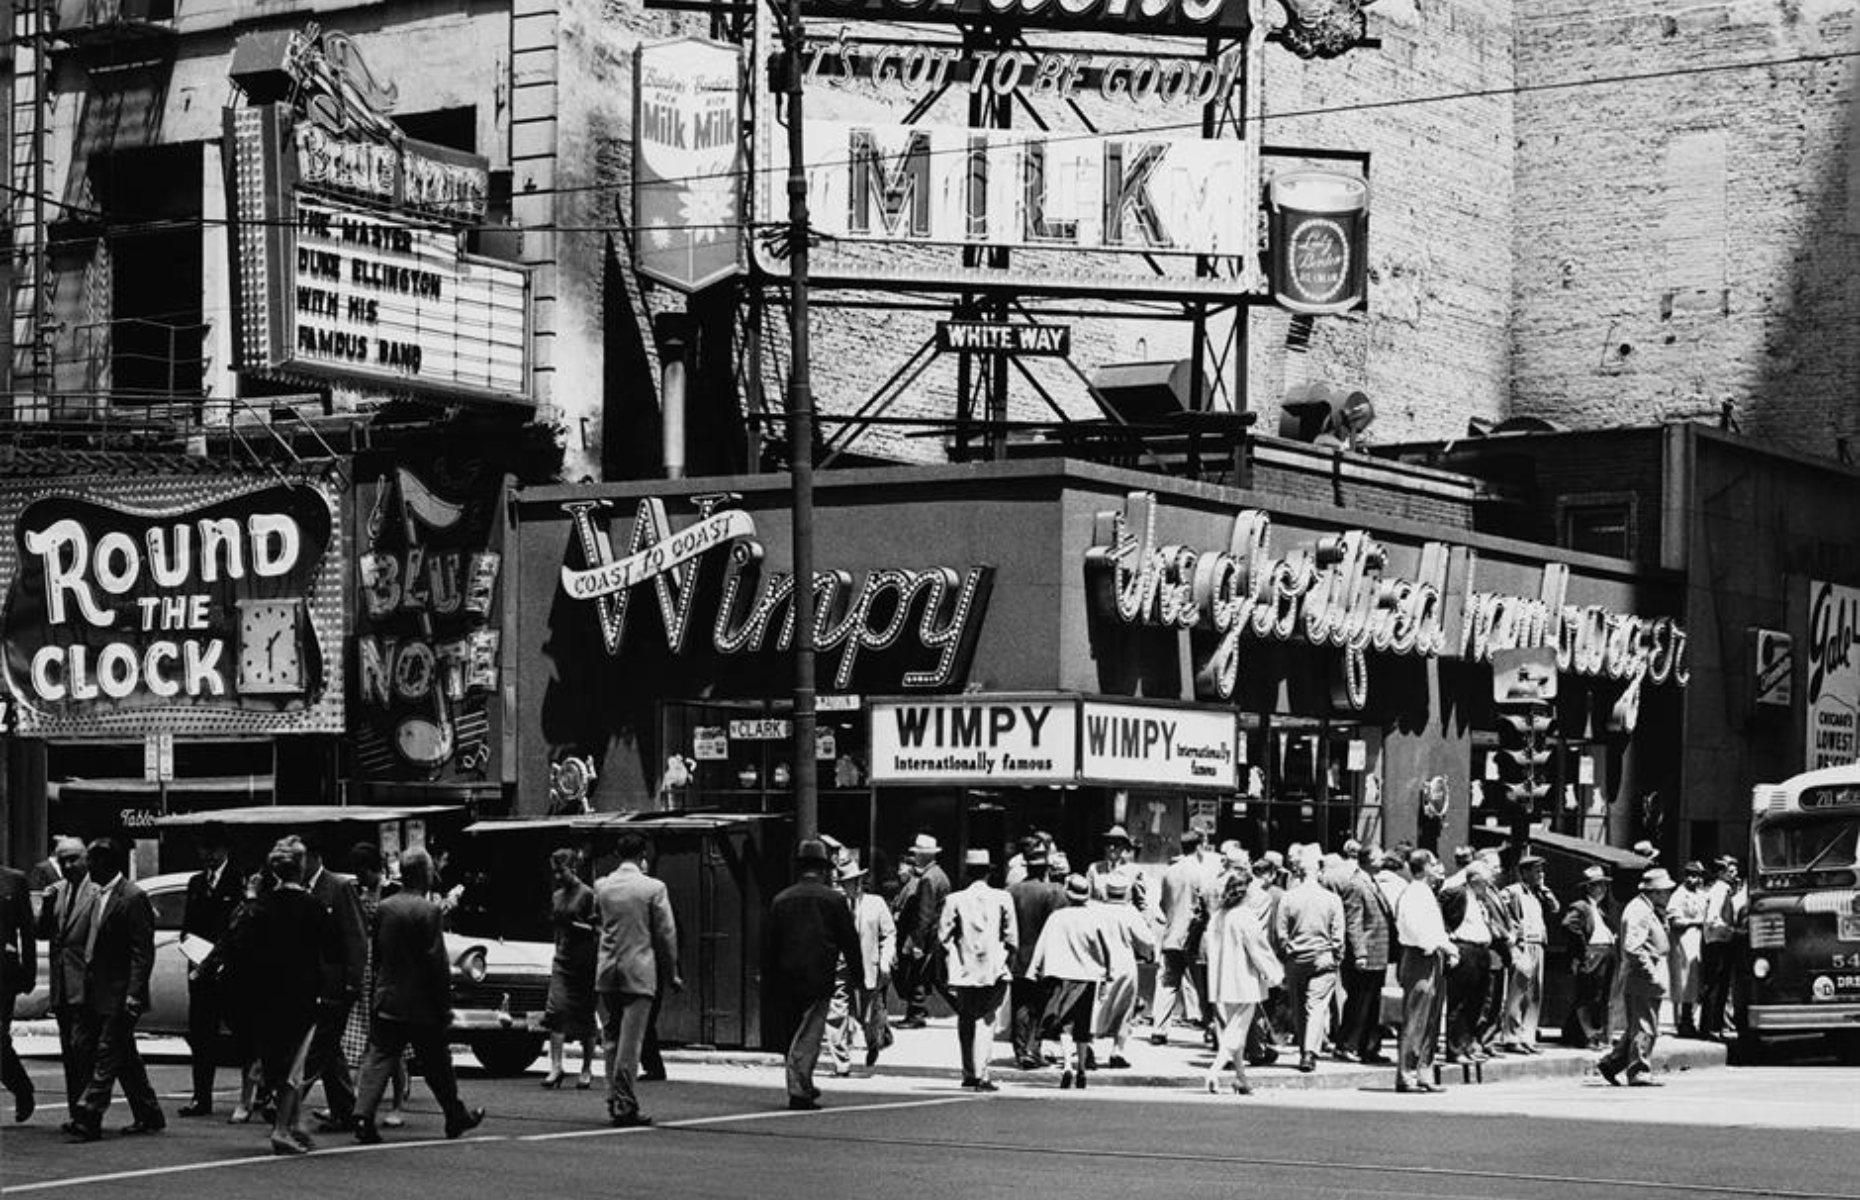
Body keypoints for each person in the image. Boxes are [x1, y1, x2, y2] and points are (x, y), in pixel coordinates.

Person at [353, 848, 486, 1143]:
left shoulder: (385, 907)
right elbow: (435, 962)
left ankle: (363, 1115)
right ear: (424, 874)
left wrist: (377, 989)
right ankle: (454, 1114)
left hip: (388, 996)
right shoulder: (429, 911)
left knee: (379, 1057)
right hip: (421, 1003)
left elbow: (378, 956)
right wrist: (444, 1005)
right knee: (437, 1062)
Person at [66, 838, 164, 1142]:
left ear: (108, 864)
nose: (87, 867)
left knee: (108, 1052)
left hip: (121, 990)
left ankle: (89, 1113)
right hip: (98, 989)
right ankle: (149, 1112)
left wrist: (135, 992)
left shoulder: (133, 897)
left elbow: (142, 951)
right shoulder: (99, 895)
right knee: (120, 1055)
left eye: (92, 861)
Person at [594, 833, 681, 1128]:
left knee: (611, 1038)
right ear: (643, 855)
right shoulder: (653, 888)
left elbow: (599, 921)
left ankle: (613, 1097)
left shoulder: (603, 886)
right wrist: (673, 971)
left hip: (607, 970)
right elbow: (666, 934)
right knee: (631, 1042)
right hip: (639, 970)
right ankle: (624, 1103)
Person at [768, 839, 863, 1110]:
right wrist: (857, 976)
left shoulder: (781, 900)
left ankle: (803, 1084)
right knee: (810, 1034)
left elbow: (770, 945)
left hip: (786, 977)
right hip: (819, 975)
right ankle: (799, 1089)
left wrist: (768, 978)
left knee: (795, 1033)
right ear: (823, 869)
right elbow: (849, 941)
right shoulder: (833, 900)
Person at [176, 826, 243, 1119]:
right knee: (201, 1036)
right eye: (204, 850)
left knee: (244, 1035)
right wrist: (194, 954)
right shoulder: (195, 883)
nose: (209, 856)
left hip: (230, 968)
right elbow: (188, 927)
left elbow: (238, 928)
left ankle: (255, 1094)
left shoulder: (239, 880)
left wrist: (219, 956)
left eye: (213, 849)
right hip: (201, 969)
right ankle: (200, 1096)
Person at [303, 837, 368, 1133]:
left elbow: (355, 937)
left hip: (334, 984)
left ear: (315, 857)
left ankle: (286, 1103)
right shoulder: (297, 887)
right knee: (329, 1049)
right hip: (309, 983)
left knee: (319, 1046)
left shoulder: (338, 887)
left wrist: (353, 982)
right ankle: (346, 1110)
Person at [1026, 875, 1113, 1090]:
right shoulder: (1094, 918)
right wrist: (1107, 972)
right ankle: (1082, 1068)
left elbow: (1042, 945)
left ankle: (1067, 1065)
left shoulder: (1057, 917)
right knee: (1083, 1025)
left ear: (1068, 894)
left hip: (1061, 975)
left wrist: (1033, 969)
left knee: (1064, 1024)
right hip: (1088, 976)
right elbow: (1104, 948)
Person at [939, 849, 1017, 1091]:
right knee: (987, 1019)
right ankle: (983, 1072)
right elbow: (1012, 937)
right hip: (994, 967)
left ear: (967, 872)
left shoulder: (954, 899)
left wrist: (951, 964)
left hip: (964, 969)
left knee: (965, 1018)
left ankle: (968, 1071)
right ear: (988, 872)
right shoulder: (1003, 898)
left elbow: (943, 938)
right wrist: (1007, 962)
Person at [1202, 865, 1282, 1095]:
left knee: (1234, 1028)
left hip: (1221, 981)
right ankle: (1214, 1071)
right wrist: (1275, 974)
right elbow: (1259, 949)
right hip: (1244, 980)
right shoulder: (1245, 916)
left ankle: (1241, 1078)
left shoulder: (1218, 917)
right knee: (1236, 1031)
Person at [1598, 868, 1677, 1086]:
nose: (1668, 895)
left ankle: (1612, 1063)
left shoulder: (1646, 909)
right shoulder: (1639, 911)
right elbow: (1633, 947)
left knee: (1639, 1025)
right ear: (1654, 893)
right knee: (1645, 1026)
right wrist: (1651, 973)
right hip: (1642, 977)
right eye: (1665, 892)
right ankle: (1639, 1070)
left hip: (1644, 975)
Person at [37, 838, 96, 1122]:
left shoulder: (97, 892)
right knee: (71, 1053)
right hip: (62, 988)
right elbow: (43, 933)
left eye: (74, 859)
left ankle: (85, 1114)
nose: (69, 865)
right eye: (63, 861)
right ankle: (77, 1112)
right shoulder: (57, 892)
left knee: (84, 1051)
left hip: (86, 985)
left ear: (86, 859)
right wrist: (47, 908)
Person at [1274, 845, 1344, 1073]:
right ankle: (1309, 1052)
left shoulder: (1288, 897)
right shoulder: (1332, 899)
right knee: (1317, 1007)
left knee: (1298, 1005)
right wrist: (1336, 957)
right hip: (1323, 957)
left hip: (1296, 957)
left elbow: (1280, 932)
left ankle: (1304, 1045)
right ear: (1319, 870)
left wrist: (1286, 952)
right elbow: (1338, 935)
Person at [1393, 849, 1458, 1094]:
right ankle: (1406, 1074)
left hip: (1433, 956)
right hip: (1420, 956)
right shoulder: (1413, 894)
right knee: (1417, 1017)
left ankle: (1424, 1071)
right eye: (1434, 863)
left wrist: (1446, 949)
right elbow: (1416, 931)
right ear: (1425, 867)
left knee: (1431, 1018)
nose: (1438, 867)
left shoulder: (1426, 893)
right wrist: (1444, 945)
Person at [829, 859, 895, 1071]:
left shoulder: (876, 903)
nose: (855, 885)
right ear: (842, 884)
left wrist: (885, 961)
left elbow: (889, 934)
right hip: (841, 965)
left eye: (858, 880)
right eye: (850, 881)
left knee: (867, 1014)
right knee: (837, 1010)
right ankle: (842, 1061)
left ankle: (874, 1041)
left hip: (869, 965)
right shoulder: (835, 904)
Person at [542, 848, 599, 1089]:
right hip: (562, 960)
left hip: (584, 962)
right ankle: (556, 1066)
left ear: (573, 869)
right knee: (555, 1012)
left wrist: (575, 925)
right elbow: (557, 929)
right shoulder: (556, 896)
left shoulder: (588, 895)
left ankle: (587, 1067)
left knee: (585, 1014)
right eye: (554, 872)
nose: (557, 877)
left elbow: (598, 931)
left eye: (561, 871)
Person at [1007, 843, 1067, 1069]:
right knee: (1039, 1006)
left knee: (1019, 1005)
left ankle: (1021, 1050)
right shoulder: (1054, 892)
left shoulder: (1012, 891)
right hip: (1044, 958)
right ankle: (1033, 1048)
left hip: (1017, 958)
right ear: (1045, 868)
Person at [1149, 831, 1210, 1046]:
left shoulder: (1169, 873)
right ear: (1200, 846)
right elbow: (1206, 906)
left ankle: (1159, 1029)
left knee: (1168, 983)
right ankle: (1210, 1027)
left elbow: (1163, 904)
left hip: (1172, 934)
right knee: (1203, 986)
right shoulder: (1202, 872)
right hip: (1194, 937)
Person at [1090, 872, 1155, 1069]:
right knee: (1124, 1010)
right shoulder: (1130, 913)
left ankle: (1089, 1047)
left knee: (1096, 1007)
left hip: (1097, 964)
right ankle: (1117, 1050)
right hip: (1124, 965)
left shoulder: (1095, 910)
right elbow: (1147, 941)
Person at [1336, 843, 1394, 1064]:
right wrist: (1359, 953)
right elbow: (1354, 922)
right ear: (1368, 860)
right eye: (1379, 857)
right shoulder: (1356, 885)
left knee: (1372, 1004)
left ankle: (1368, 1047)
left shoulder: (1372, 882)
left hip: (1378, 954)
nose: (1383, 861)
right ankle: (1347, 1044)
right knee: (1359, 1003)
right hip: (1365, 955)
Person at [1439, 858, 1498, 1063]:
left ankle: (1467, 1045)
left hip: (1482, 950)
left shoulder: (1481, 899)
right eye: (1487, 881)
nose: (1490, 886)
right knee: (1460, 1002)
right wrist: (1449, 941)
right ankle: (1455, 1048)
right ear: (1474, 879)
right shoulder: (1457, 893)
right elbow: (1442, 913)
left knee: (1477, 1001)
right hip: (1465, 948)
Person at [1498, 853, 1558, 1054]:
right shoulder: (1514, 891)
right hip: (1524, 944)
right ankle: (1511, 1036)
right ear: (1524, 872)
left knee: (1535, 993)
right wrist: (1513, 930)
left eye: (1542, 870)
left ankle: (1527, 1036)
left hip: (1538, 945)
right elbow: (1499, 907)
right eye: (1536, 870)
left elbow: (1555, 908)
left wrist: (1546, 892)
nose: (1541, 874)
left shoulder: (1537, 893)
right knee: (1518, 991)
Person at [894, 834, 950, 1028]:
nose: (915, 857)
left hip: (927, 935)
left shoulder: (928, 879)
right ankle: (917, 1011)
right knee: (931, 975)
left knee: (919, 973)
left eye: (917, 854)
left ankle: (916, 1012)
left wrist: (917, 942)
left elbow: (924, 914)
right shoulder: (938, 874)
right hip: (934, 933)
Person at [1561, 865, 1618, 1049]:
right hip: (1594, 954)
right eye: (1597, 885)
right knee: (1588, 996)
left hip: (1605, 954)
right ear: (1588, 888)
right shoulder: (1581, 907)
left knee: (1600, 997)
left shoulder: (1598, 909)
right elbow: (1569, 925)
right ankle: (1588, 1036)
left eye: (1603, 885)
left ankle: (1576, 1034)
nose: (1602, 889)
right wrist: (1583, 949)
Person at [1, 856, 35, 1124]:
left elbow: (27, 929)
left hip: (4, 973)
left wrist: (29, 971)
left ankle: (21, 1087)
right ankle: (20, 1086)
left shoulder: (14, 880)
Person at [1665, 860, 1710, 1037]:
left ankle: (1691, 1020)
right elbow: (1674, 920)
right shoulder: (1678, 895)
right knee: (1685, 983)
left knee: (1696, 982)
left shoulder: (1700, 895)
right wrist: (1694, 922)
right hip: (1684, 942)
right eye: (1691, 876)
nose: (1695, 880)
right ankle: (1684, 1022)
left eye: (1698, 876)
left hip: (1698, 942)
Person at [1698, 856, 1741, 1040]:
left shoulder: (1725, 890)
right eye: (1728, 871)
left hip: (1719, 941)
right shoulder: (1720, 891)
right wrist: (1732, 930)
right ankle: (1710, 1027)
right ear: (1721, 873)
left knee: (1719, 986)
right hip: (1718, 942)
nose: (1733, 874)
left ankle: (1713, 1026)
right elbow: (1712, 919)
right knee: (1716, 986)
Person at [1086, 826, 1146, 910]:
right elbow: (1087, 900)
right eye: (1108, 844)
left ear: (1124, 847)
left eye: (1116, 844)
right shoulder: (1095, 869)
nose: (1111, 848)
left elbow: (1141, 905)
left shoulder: (1134, 871)